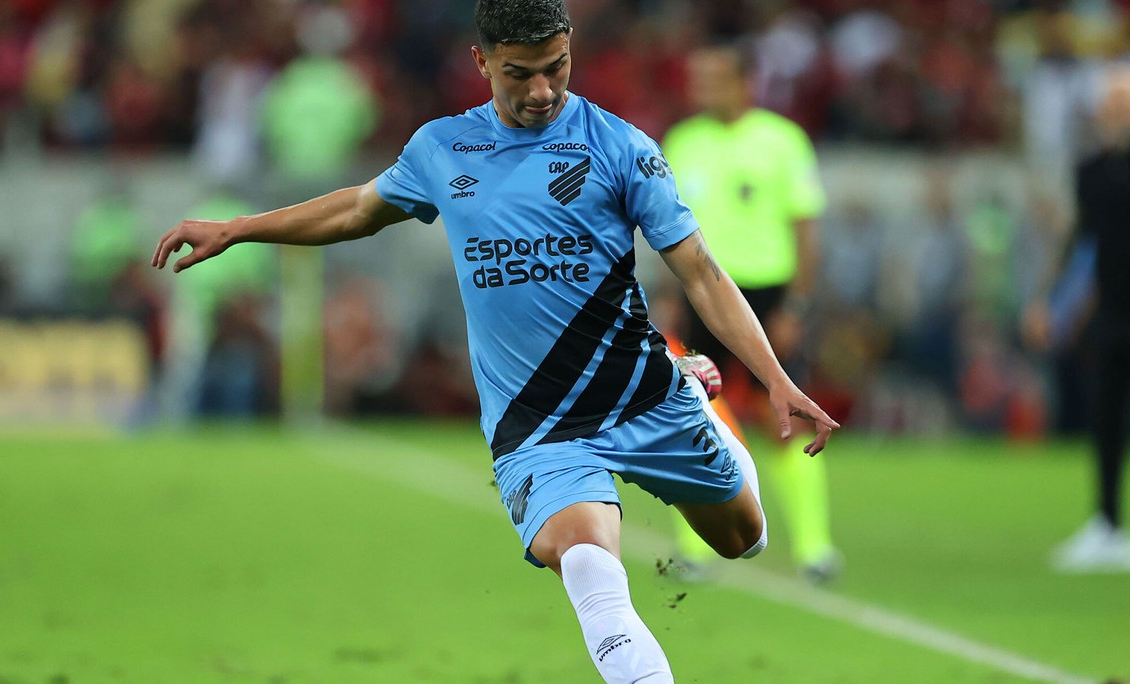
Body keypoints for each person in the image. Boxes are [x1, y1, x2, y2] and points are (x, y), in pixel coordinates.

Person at [152, 2, 838, 681]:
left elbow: (702, 272)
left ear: (570, 49)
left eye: (556, 68)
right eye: (521, 74)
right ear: (481, 62)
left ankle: (695, 399)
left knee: (742, 542)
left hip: (642, 394)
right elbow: (358, 210)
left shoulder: (621, 147)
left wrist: (774, 376)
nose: (542, 91)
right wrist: (240, 227)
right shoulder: (442, 148)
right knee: (588, 563)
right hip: (537, 422)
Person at [661, 41, 841, 582]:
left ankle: (814, 548)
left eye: (714, 77)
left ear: (744, 82)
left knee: (785, 419)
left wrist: (797, 303)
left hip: (766, 296)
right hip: (700, 296)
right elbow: (662, 226)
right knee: (690, 419)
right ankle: (694, 549)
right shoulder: (681, 141)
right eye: (698, 78)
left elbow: (805, 228)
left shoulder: (782, 142)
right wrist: (667, 293)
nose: (701, 89)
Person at [1024, 65, 1130, 573]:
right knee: (1105, 420)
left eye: (1123, 103)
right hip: (1112, 314)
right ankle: (1107, 524)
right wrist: (1050, 302)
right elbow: (1081, 244)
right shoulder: (1091, 171)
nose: (1116, 113)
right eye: (1111, 104)